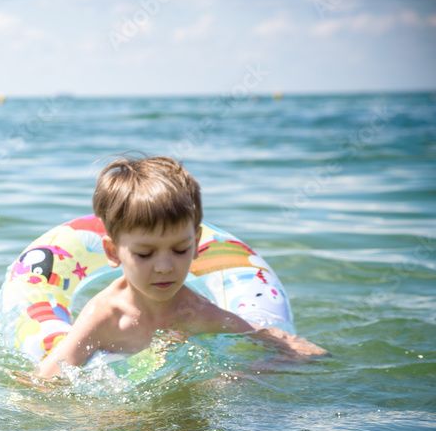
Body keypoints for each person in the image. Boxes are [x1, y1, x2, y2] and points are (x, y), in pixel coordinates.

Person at [37, 156, 327, 379]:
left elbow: (259, 336)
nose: (164, 267)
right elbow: (53, 372)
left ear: (197, 242)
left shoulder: (195, 312)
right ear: (113, 253)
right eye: (145, 253)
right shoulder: (105, 316)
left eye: (179, 250)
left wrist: (302, 352)